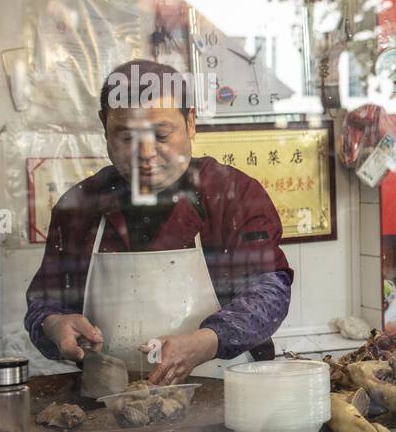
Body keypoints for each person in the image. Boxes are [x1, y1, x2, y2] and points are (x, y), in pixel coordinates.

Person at [25, 59, 293, 385]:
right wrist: (54, 325)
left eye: (161, 134)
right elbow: (44, 302)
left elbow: (270, 293)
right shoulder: (78, 208)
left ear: (191, 122)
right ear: (104, 126)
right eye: (126, 137)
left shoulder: (233, 195)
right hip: (110, 402)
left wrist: (205, 341)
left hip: (226, 393)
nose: (145, 152)